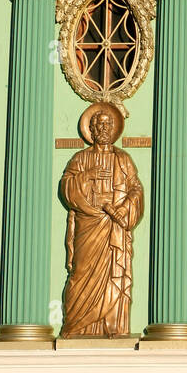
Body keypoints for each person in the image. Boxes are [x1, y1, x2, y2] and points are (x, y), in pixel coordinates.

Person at [60, 104, 143, 338]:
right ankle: (77, 325)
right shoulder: (80, 159)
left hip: (114, 227)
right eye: (99, 125)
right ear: (92, 129)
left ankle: (112, 326)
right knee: (80, 274)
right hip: (89, 225)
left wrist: (123, 208)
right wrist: (88, 176)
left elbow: (136, 189)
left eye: (108, 125)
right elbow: (67, 188)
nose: (104, 129)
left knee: (114, 274)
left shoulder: (123, 160)